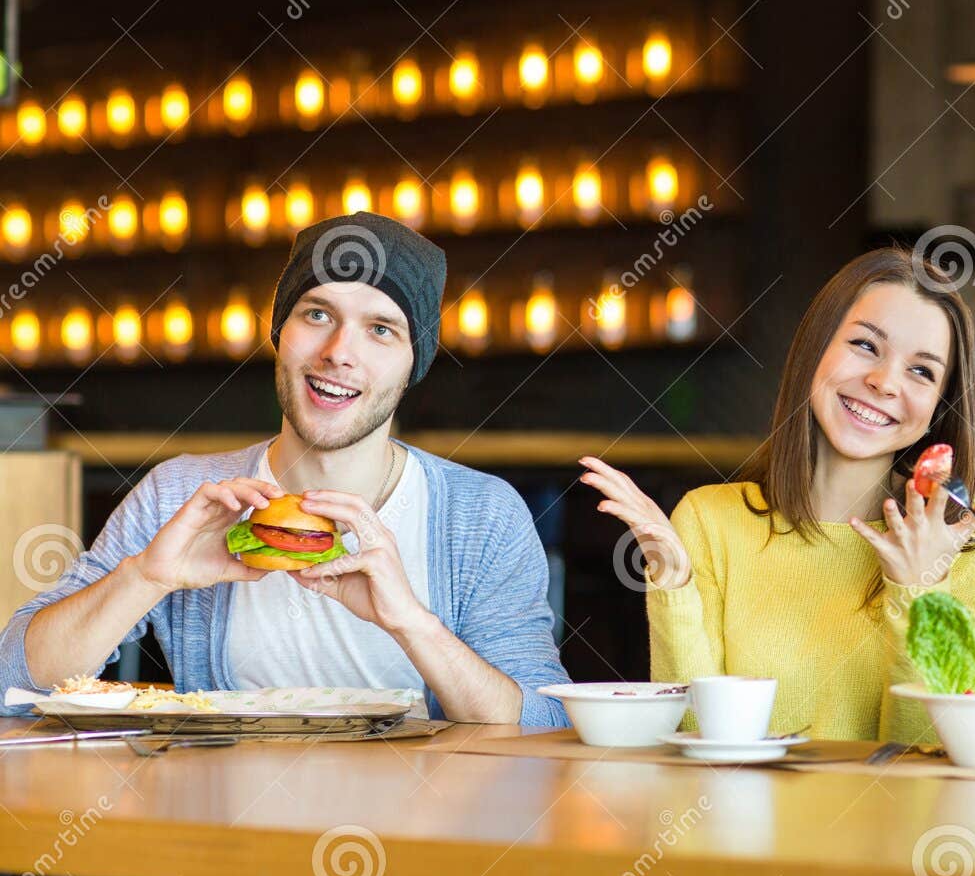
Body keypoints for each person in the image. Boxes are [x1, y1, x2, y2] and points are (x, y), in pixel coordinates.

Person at [0, 212, 569, 726]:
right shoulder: (179, 492)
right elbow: (11, 681)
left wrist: (412, 624)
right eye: (317, 313)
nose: (339, 351)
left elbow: (544, 719)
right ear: (280, 334)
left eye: (380, 329)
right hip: (227, 831)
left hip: (419, 831)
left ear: (412, 362)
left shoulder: (482, 515)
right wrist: (147, 578)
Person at [583, 247, 975, 742]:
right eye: (866, 346)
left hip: (893, 820)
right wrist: (673, 587)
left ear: (939, 406)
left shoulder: (970, 541)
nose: (884, 381)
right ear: (815, 348)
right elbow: (700, 739)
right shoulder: (709, 520)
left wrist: (920, 590)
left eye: (921, 371)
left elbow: (925, 752)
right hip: (741, 819)